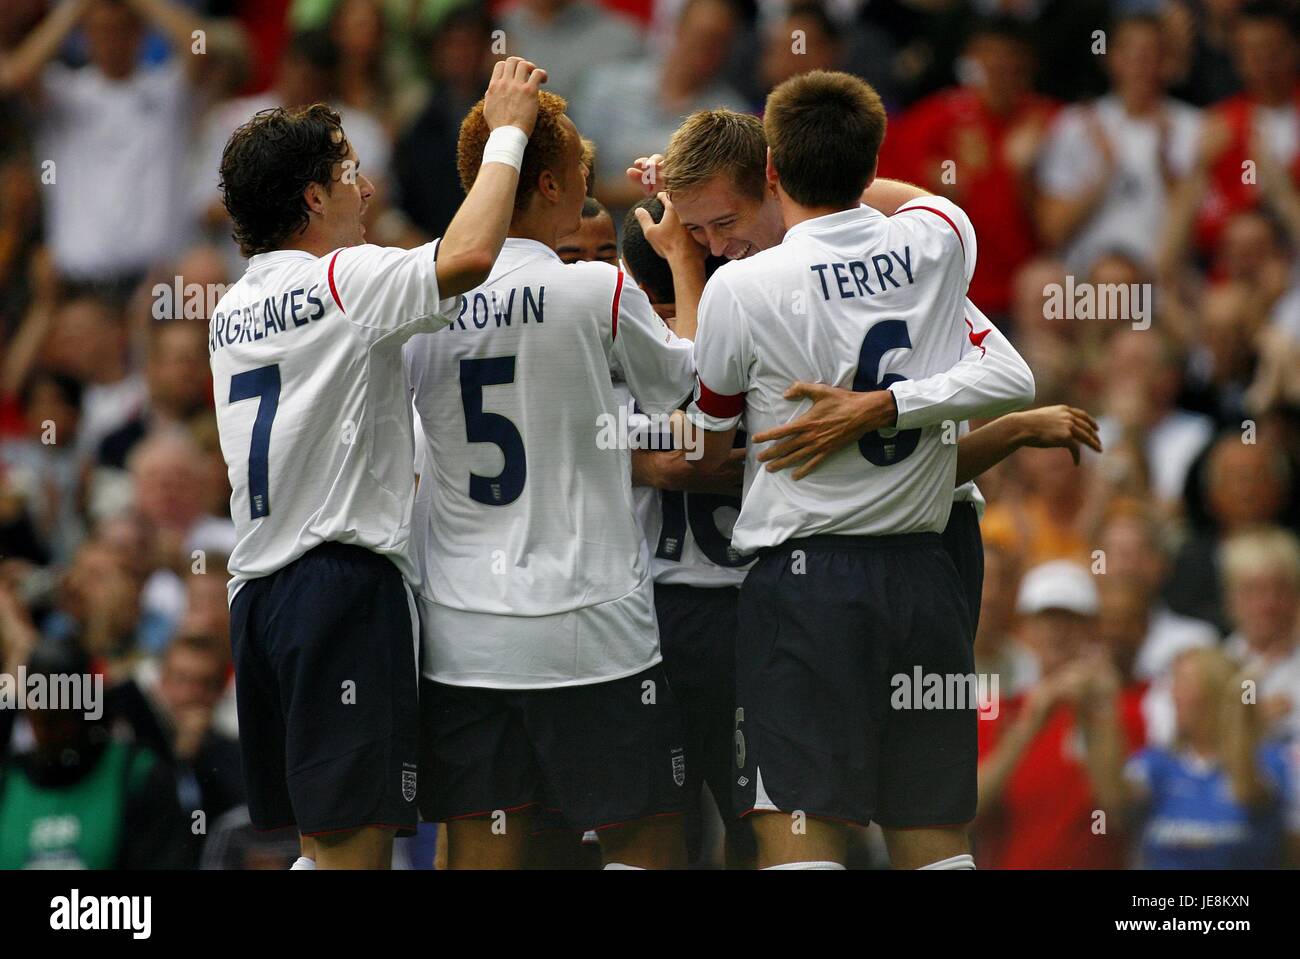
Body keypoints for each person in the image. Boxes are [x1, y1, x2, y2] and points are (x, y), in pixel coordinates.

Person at [684, 70, 1034, 870]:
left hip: (808, 583)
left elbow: (707, 447)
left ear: (770, 171)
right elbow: (1008, 368)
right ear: (872, 157)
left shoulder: (740, 284)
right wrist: (895, 403)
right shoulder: (940, 236)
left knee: (800, 825)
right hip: (927, 572)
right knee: (934, 832)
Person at [209, 56, 548, 871]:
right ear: (313, 199)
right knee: (353, 854)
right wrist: (508, 131)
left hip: (259, 601)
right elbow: (467, 257)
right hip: (340, 589)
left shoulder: (229, 307)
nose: (366, 191)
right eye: (350, 174)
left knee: (323, 848)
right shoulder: (341, 280)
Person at [627, 108, 1095, 633]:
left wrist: (623, 465)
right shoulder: (775, 280)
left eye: (725, 222)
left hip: (904, 534)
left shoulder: (763, 285)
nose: (716, 246)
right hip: (880, 545)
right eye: (696, 231)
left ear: (772, 181)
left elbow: (697, 453)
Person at [405, 89, 696, 871]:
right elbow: (685, 388)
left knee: (481, 847)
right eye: (575, 168)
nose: (584, 180)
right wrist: (683, 261)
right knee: (647, 838)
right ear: (548, 186)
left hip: (462, 631)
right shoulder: (594, 287)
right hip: (589, 622)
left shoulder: (416, 298)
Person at [1125, 647, 1292, 868]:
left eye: (1182, 683)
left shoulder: (1270, 761)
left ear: (1215, 691)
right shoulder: (1155, 762)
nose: (1173, 695)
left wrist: (1240, 713)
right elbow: (1115, 800)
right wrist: (1098, 716)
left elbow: (1249, 792)